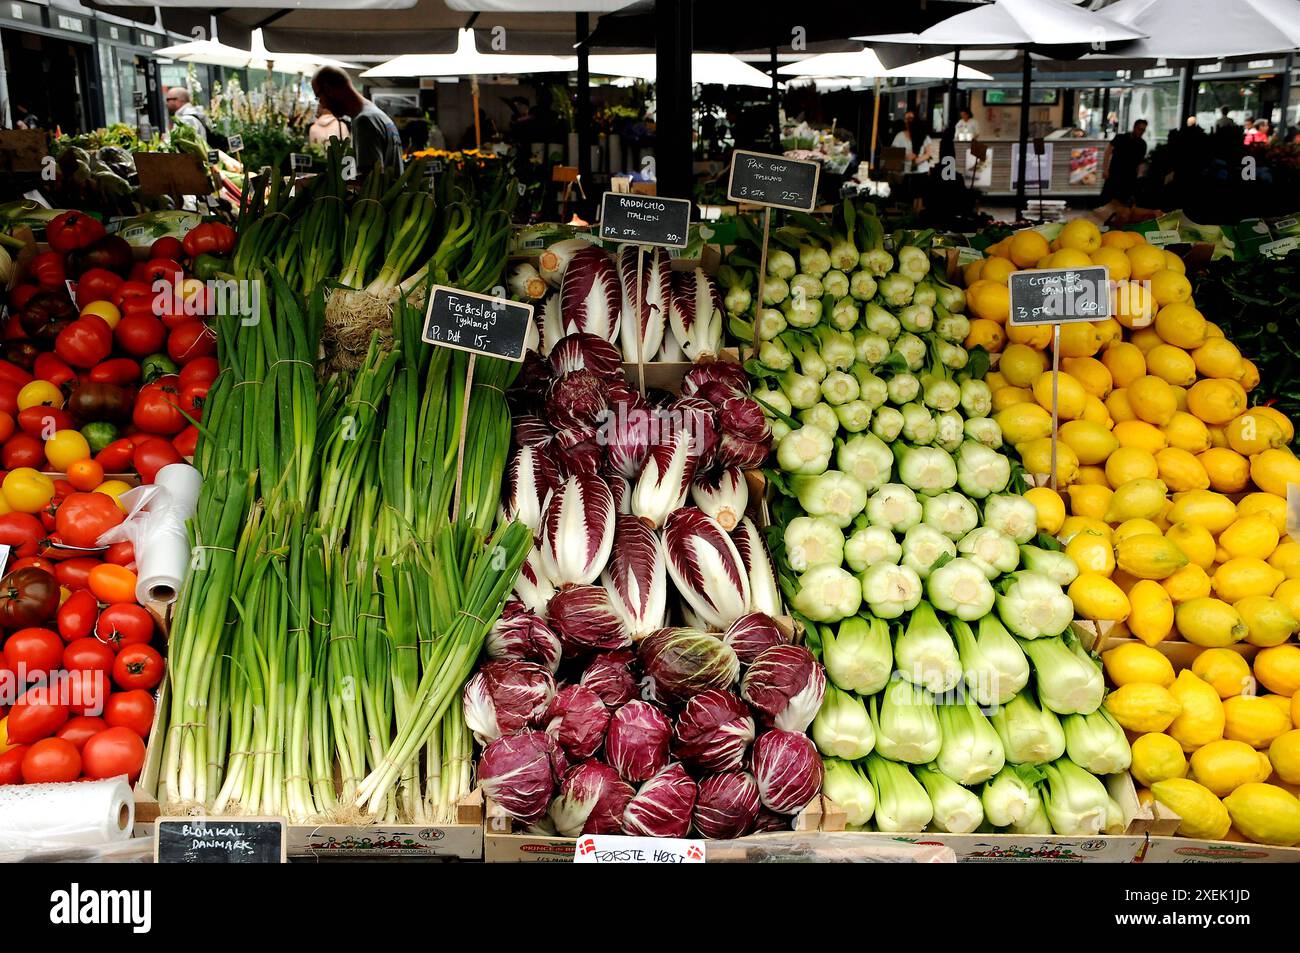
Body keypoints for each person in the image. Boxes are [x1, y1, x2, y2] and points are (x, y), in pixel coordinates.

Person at [311, 66, 403, 174]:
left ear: (328, 90)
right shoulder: (374, 114)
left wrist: (316, 182)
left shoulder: (365, 121)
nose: (322, 105)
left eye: (319, 97)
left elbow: (369, 179)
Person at [1101, 118, 1148, 205]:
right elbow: (1108, 152)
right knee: (1107, 200)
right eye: (1140, 129)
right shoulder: (1121, 138)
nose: (1141, 132)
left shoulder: (1142, 144)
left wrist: (1139, 178)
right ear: (1134, 127)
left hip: (1129, 178)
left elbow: (1140, 163)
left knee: (1122, 203)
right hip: (1114, 174)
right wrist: (1105, 169)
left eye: (1143, 130)